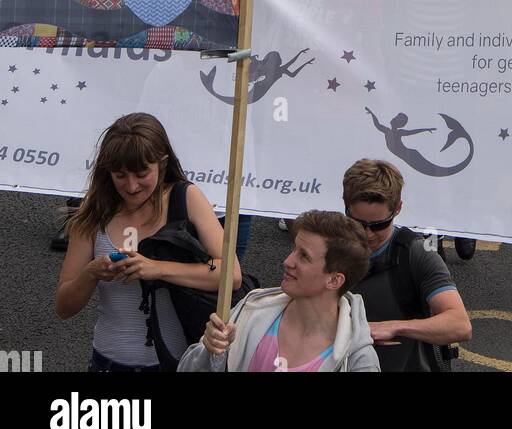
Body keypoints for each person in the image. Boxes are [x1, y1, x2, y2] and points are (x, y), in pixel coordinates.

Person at [56, 113, 241, 372]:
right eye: (120, 176)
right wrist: (91, 273)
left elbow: (230, 273)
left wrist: (157, 269)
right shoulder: (95, 211)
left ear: (162, 164)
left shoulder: (186, 198)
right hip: (107, 363)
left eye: (142, 173)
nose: (131, 186)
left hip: (174, 364)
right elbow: (64, 306)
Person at [178, 211, 379, 373]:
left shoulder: (357, 360)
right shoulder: (250, 310)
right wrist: (210, 351)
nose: (287, 262)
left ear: (334, 280)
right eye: (294, 249)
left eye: (304, 257)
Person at [342, 160, 473, 369]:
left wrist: (394, 327)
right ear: (345, 206)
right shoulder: (327, 246)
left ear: (398, 208)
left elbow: (460, 324)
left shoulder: (417, 253)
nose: (367, 233)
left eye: (379, 225)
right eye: (358, 223)